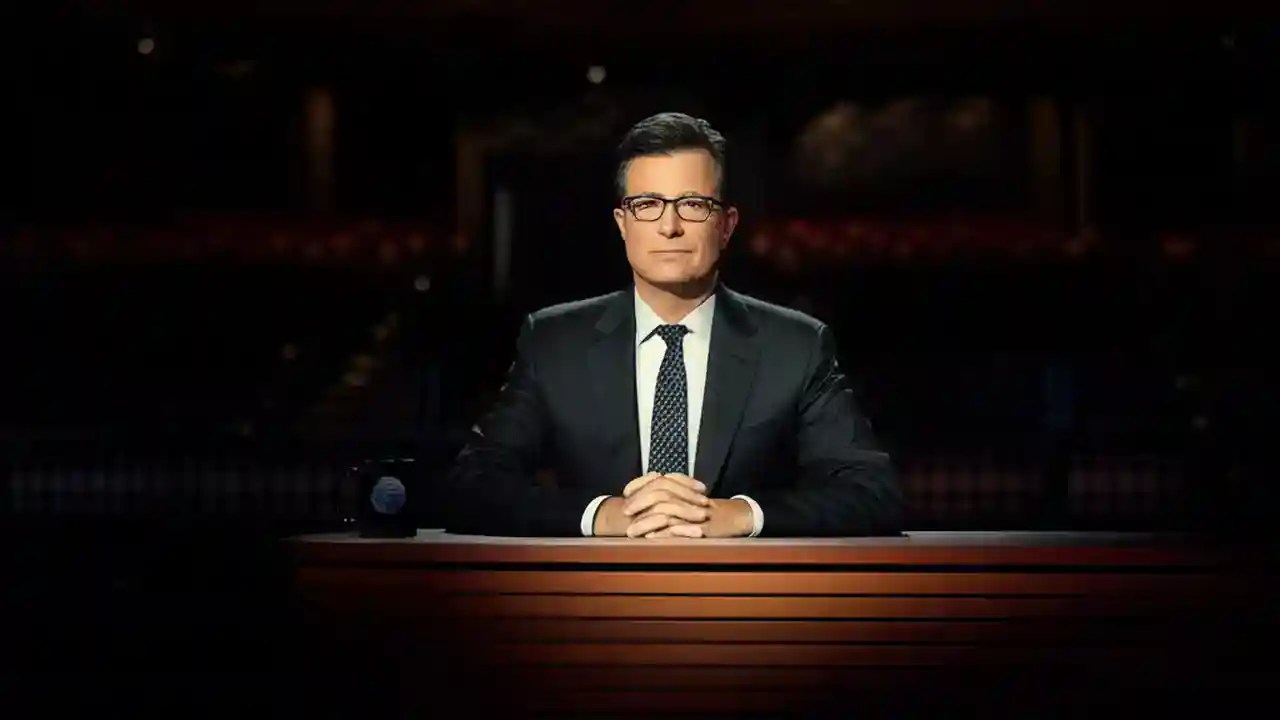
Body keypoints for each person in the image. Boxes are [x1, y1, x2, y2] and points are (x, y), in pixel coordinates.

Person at [444, 112, 902, 538]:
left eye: (693, 205)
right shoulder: (554, 341)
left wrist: (739, 515)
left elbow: (872, 493)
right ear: (622, 224)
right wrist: (603, 514)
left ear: (725, 225)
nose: (669, 226)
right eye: (647, 204)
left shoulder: (796, 346)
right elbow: (471, 485)